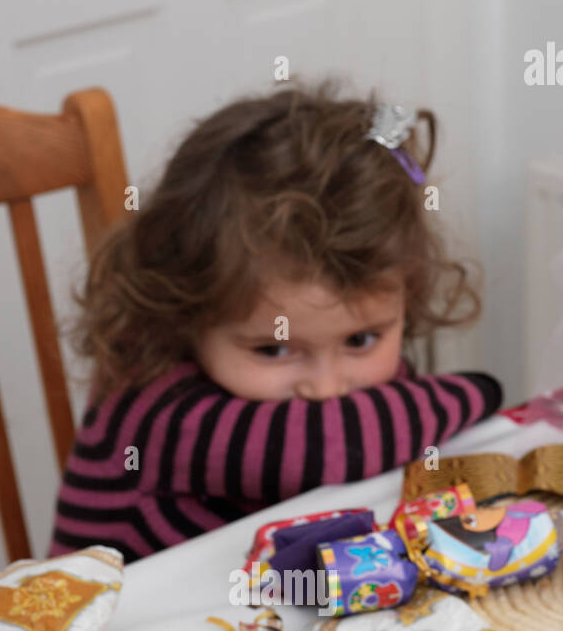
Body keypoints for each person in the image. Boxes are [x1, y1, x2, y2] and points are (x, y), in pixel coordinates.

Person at [48, 82, 503, 562]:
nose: (326, 389)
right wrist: (479, 390)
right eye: (275, 349)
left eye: (361, 340)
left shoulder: (336, 376)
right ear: (183, 311)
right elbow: (332, 444)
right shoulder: (149, 407)